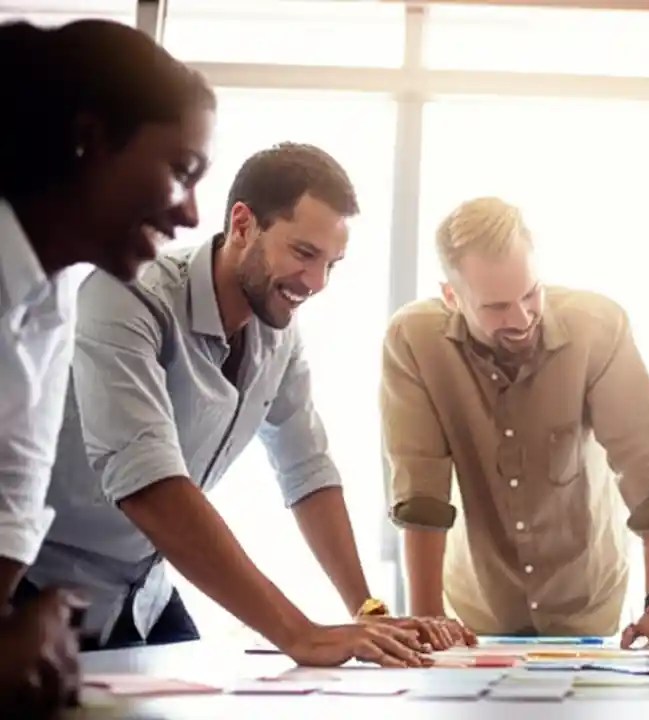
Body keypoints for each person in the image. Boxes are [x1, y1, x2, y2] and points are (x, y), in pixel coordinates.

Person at [22, 143, 463, 667]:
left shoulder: (278, 330)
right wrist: (299, 634)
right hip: (37, 591)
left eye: (331, 263)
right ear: (242, 224)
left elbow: (307, 469)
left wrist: (364, 609)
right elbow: (149, 483)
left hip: (142, 592)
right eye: (303, 253)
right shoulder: (126, 296)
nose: (317, 283)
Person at [381, 197, 649, 650]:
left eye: (530, 293)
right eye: (497, 307)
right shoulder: (413, 340)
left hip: (587, 604)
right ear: (451, 297)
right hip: (479, 611)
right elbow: (419, 486)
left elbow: (646, 464)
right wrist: (427, 616)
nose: (522, 319)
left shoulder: (599, 326)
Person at [0, 18, 215, 716]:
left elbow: (10, 497)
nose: (190, 212)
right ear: (88, 138)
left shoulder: (54, 293)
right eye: (182, 171)